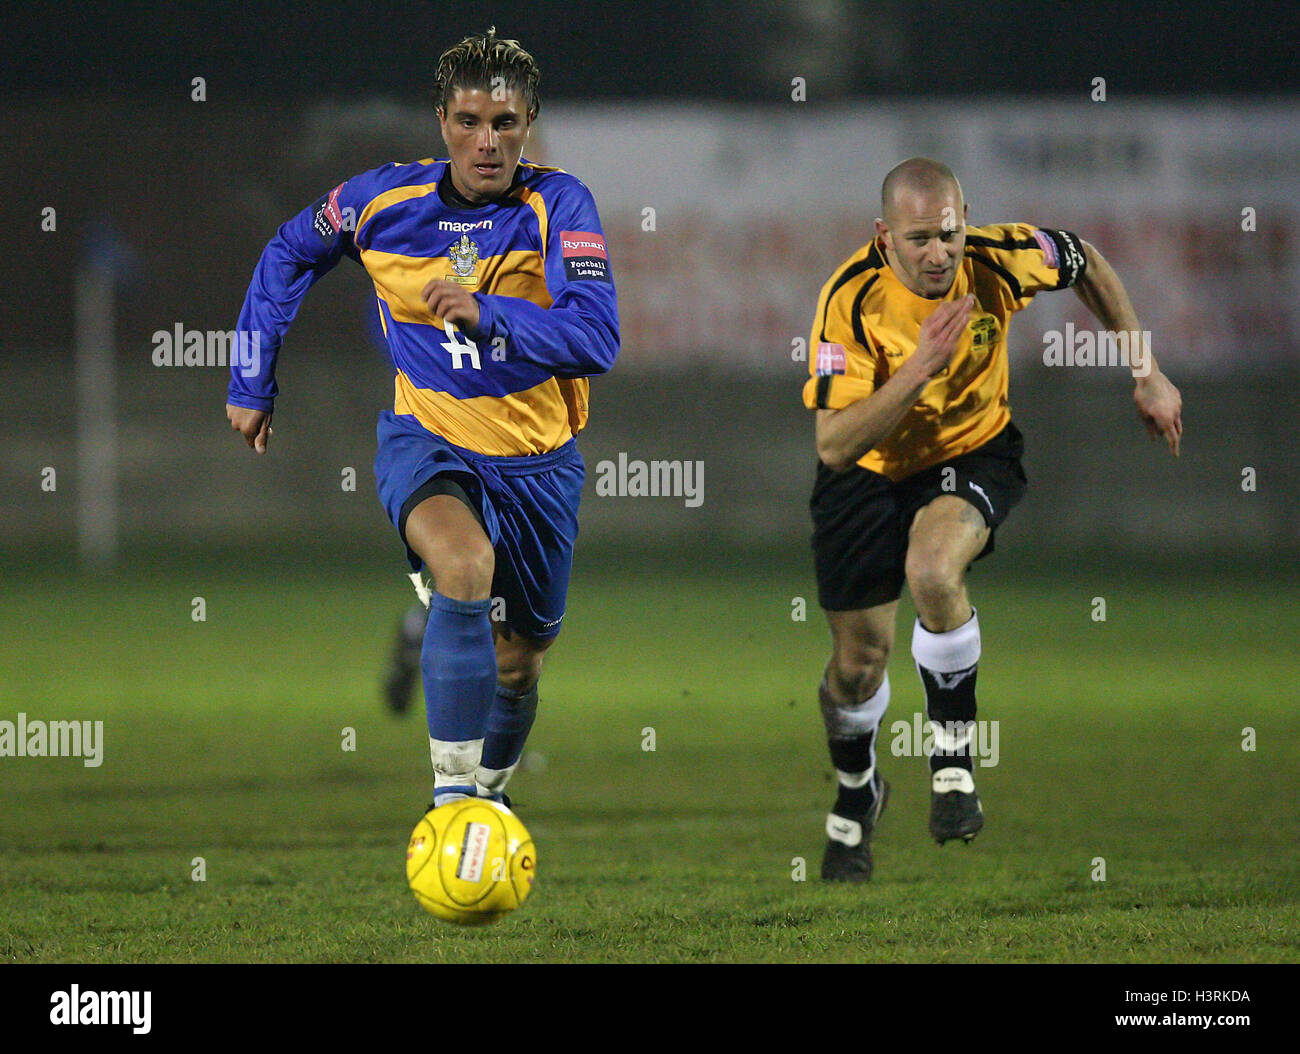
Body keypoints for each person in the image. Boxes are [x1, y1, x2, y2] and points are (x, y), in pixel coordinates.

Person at [226, 28, 619, 810]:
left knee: (522, 662)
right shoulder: (379, 201)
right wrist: (250, 374)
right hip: (428, 440)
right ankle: (450, 805)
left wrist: (491, 316)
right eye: (469, 121)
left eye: (504, 124)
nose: (486, 142)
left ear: (529, 124)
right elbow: (288, 251)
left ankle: (490, 798)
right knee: (463, 565)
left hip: (539, 462)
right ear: (441, 121)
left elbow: (596, 336)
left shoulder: (560, 204)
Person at [804, 157, 1181, 881]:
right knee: (858, 668)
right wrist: (920, 367)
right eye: (919, 239)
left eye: (948, 233)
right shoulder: (847, 302)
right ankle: (859, 793)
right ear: (885, 238)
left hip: (974, 454)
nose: (938, 253)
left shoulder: (998, 260)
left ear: (964, 220)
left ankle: (952, 760)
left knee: (933, 570)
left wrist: (1145, 369)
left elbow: (1087, 260)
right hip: (870, 472)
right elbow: (835, 443)